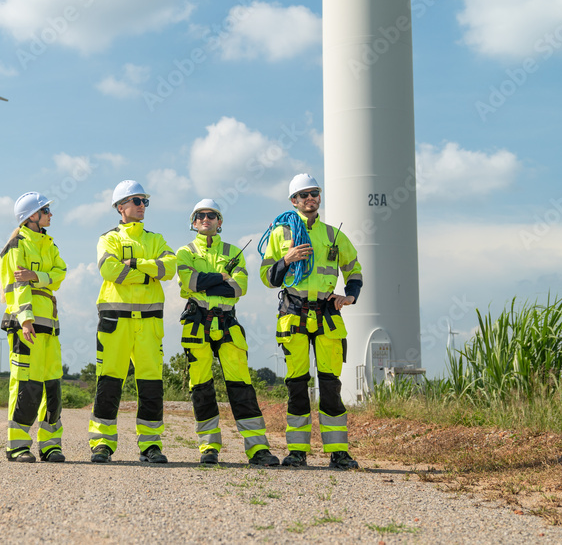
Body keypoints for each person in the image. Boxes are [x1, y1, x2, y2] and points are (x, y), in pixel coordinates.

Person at [259, 174, 362, 470]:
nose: (309, 199)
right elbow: (268, 278)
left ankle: (339, 452)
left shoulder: (334, 235)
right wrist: (287, 259)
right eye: (303, 195)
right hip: (294, 313)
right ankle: (297, 451)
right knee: (297, 384)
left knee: (330, 385)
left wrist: (351, 295)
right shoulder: (280, 235)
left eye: (314, 193)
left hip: (327, 315)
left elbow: (354, 269)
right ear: (293, 201)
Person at [176, 199, 280, 467]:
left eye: (212, 215)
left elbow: (239, 288)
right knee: (201, 387)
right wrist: (222, 277)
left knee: (242, 387)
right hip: (197, 323)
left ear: (220, 222)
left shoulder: (234, 251)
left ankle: (258, 449)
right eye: (200, 215)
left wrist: (208, 282)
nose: (206, 219)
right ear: (193, 221)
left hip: (227, 324)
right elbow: (190, 282)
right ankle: (208, 447)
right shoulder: (184, 252)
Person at [89, 180, 177, 464]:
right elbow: (110, 270)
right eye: (137, 201)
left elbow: (170, 268)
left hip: (149, 323)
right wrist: (150, 269)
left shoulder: (157, 239)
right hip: (115, 321)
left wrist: (135, 265)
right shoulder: (108, 238)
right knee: (109, 382)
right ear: (120, 207)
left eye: (144, 201)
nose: (142, 206)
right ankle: (102, 443)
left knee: (151, 384)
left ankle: (151, 445)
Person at [0, 192, 67, 463]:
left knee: (52, 386)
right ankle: (18, 446)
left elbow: (60, 274)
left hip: (49, 327)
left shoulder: (49, 244)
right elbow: (17, 285)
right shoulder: (16, 246)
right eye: (46, 209)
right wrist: (25, 318)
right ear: (32, 217)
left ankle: (50, 445)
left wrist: (37, 276)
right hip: (25, 326)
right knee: (26, 385)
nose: (50, 214)